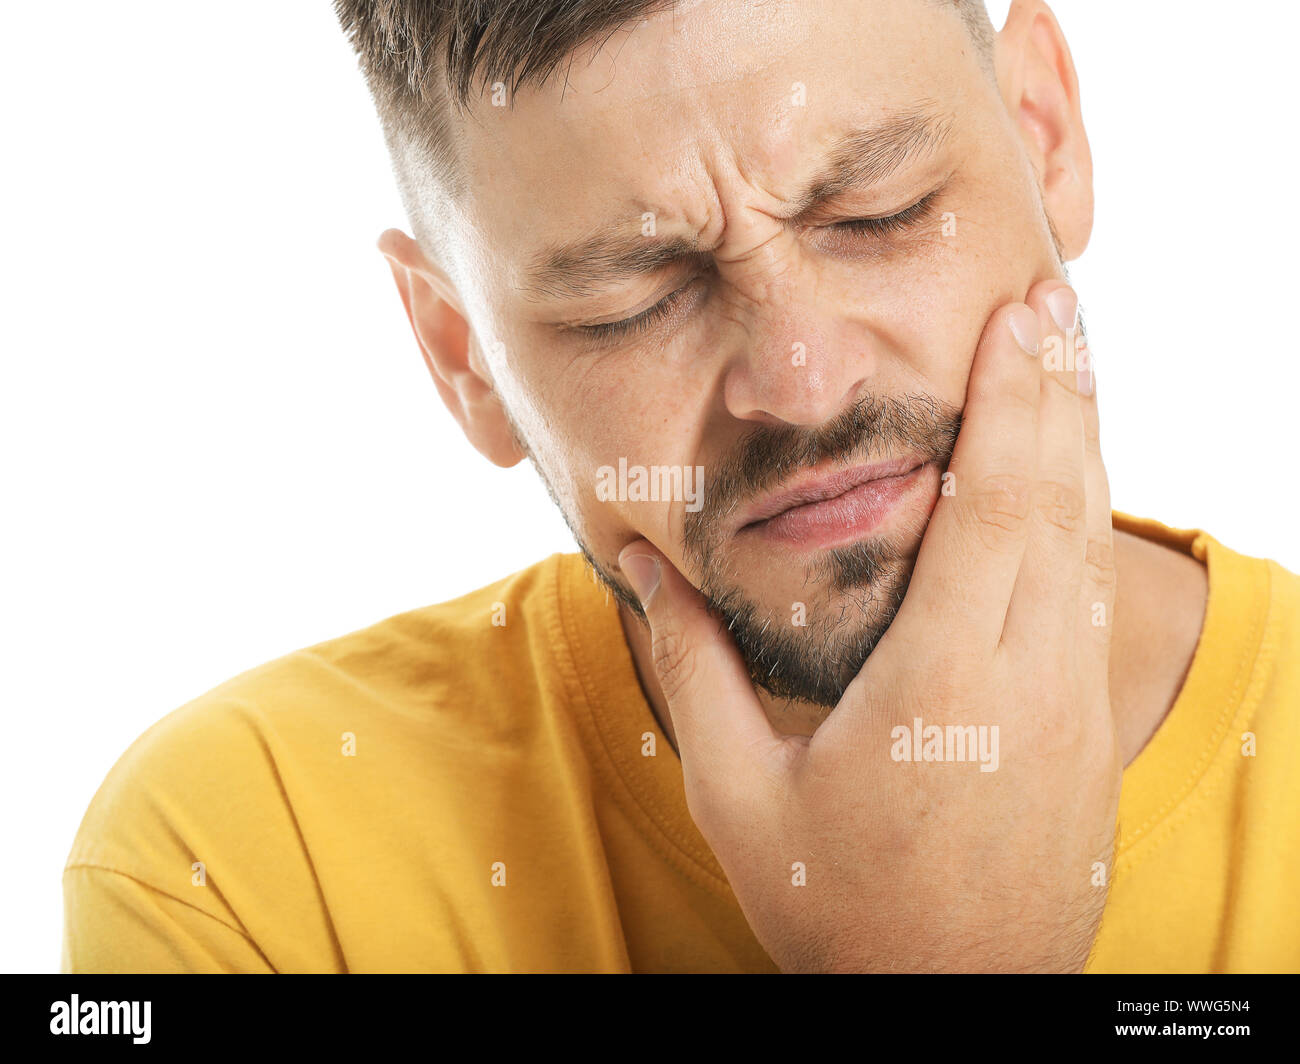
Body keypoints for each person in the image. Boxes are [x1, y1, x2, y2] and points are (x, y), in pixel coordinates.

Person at [62, 0, 1300, 973]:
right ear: (462, 357)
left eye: (878, 210)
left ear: (1043, 134)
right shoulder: (238, 867)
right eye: (634, 298)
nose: (804, 380)